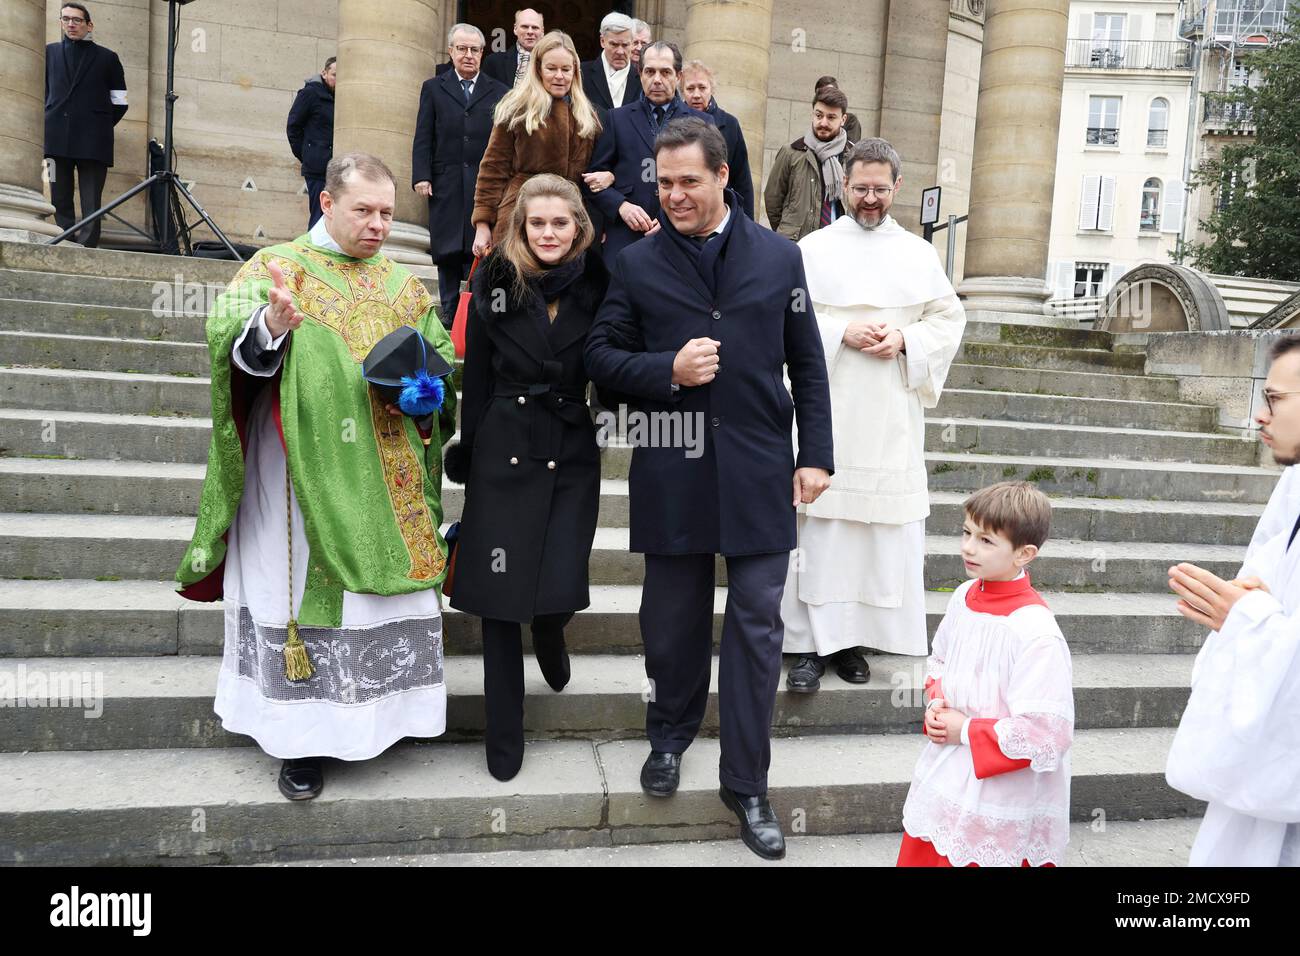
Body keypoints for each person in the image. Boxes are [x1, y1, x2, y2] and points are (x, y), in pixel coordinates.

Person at [585, 118, 834, 860]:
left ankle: (747, 783)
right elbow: (600, 356)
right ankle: (668, 735)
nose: (674, 195)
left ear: (724, 176)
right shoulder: (634, 262)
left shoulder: (781, 257)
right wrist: (666, 370)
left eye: (688, 181)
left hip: (760, 469)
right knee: (671, 623)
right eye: (663, 183)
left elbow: (809, 364)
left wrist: (815, 454)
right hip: (674, 465)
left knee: (759, 628)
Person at [174, 152, 457, 802]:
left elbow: (437, 351)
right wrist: (271, 325)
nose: (379, 224)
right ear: (327, 203)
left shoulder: (401, 284)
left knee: (380, 596)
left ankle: (386, 719)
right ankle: (299, 740)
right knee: (303, 592)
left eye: (388, 212)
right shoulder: (280, 266)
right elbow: (227, 340)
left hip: (387, 477)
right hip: (300, 476)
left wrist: (430, 388)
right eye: (365, 210)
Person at [782, 138, 966, 691]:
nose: (868, 198)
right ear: (843, 186)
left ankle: (854, 642)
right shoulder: (811, 248)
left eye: (879, 190)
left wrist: (906, 338)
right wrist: (841, 332)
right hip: (826, 407)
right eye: (859, 188)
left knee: (871, 534)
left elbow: (947, 320)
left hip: (889, 414)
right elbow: (783, 316)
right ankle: (810, 645)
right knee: (823, 533)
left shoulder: (917, 254)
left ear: (897, 189)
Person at [444, 174, 608, 781]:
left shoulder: (599, 282)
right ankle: (503, 737)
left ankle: (551, 626)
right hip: (504, 450)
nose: (547, 233)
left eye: (559, 223)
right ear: (520, 226)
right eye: (536, 223)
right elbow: (478, 376)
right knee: (498, 598)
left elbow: (611, 364)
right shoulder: (493, 280)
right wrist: (470, 448)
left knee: (559, 578)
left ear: (578, 227)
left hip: (569, 447)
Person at [1165, 334, 1300, 866]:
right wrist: (1249, 600)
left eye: (1276, 399)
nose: (1259, 416)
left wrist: (1249, 621)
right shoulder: (1293, 483)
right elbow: (1270, 572)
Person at [898, 482, 1074, 867]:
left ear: (1024, 554)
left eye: (986, 540)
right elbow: (940, 658)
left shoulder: (1035, 632)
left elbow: (1046, 735)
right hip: (948, 770)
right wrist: (938, 698)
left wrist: (965, 730)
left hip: (998, 789)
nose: (968, 547)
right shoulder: (963, 596)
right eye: (966, 533)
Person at [471, 30, 603, 258]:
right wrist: (483, 224)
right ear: (538, 69)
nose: (559, 76)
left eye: (566, 69)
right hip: (517, 214)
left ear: (575, 71)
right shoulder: (516, 108)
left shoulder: (586, 115)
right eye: (551, 69)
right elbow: (493, 169)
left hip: (566, 220)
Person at [583, 42, 714, 262]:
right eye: (649, 71)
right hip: (626, 241)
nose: (657, 80)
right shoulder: (617, 119)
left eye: (665, 72)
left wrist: (674, 217)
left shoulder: (702, 123)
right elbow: (593, 182)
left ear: (678, 76)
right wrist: (621, 206)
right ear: (640, 74)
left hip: (684, 240)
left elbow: (713, 184)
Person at [413, 24, 508, 325]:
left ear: (483, 53)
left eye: (475, 50)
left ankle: (474, 316)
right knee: (447, 251)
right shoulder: (433, 87)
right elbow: (423, 135)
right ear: (451, 51)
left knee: (477, 249)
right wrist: (421, 176)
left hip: (483, 185)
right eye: (462, 49)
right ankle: (449, 316)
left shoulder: (499, 91)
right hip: (446, 182)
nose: (468, 55)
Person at [44, 2, 127, 248]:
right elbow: (41, 94)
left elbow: (120, 102)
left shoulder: (108, 58)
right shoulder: (48, 53)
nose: (71, 24)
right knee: (59, 196)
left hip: (94, 141)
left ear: (89, 25)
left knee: (92, 199)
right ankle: (65, 239)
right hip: (55, 137)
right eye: (66, 19)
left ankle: (88, 244)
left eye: (77, 20)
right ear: (61, 22)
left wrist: (99, 125)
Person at [763, 87, 854, 242]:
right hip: (798, 244)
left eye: (831, 117)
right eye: (819, 115)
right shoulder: (791, 152)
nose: (823, 122)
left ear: (843, 119)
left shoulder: (853, 156)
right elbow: (773, 199)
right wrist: (789, 232)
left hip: (838, 245)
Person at [680, 59, 754, 218]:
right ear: (682, 91)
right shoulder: (673, 122)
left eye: (702, 88)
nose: (696, 95)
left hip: (719, 209)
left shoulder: (729, 124)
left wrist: (747, 222)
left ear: (711, 89)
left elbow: (742, 179)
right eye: (690, 88)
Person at [286, 57, 336, 229]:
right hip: (317, 167)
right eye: (334, 75)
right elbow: (293, 127)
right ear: (324, 73)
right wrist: (308, 154)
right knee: (319, 215)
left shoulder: (342, 98)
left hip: (337, 166)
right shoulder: (310, 93)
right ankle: (312, 254)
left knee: (333, 215)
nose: (337, 80)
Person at [579, 13, 637, 119]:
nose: (620, 51)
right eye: (614, 44)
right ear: (602, 41)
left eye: (625, 45)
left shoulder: (643, 78)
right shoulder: (581, 73)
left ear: (632, 43)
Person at [482, 8, 545, 88]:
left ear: (542, 31)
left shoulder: (552, 63)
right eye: (525, 27)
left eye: (535, 27)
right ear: (515, 29)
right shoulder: (494, 62)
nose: (530, 32)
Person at [815, 75, 862, 143]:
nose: (825, 97)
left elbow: (852, 150)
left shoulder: (851, 121)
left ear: (843, 120)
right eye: (821, 94)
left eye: (831, 117)